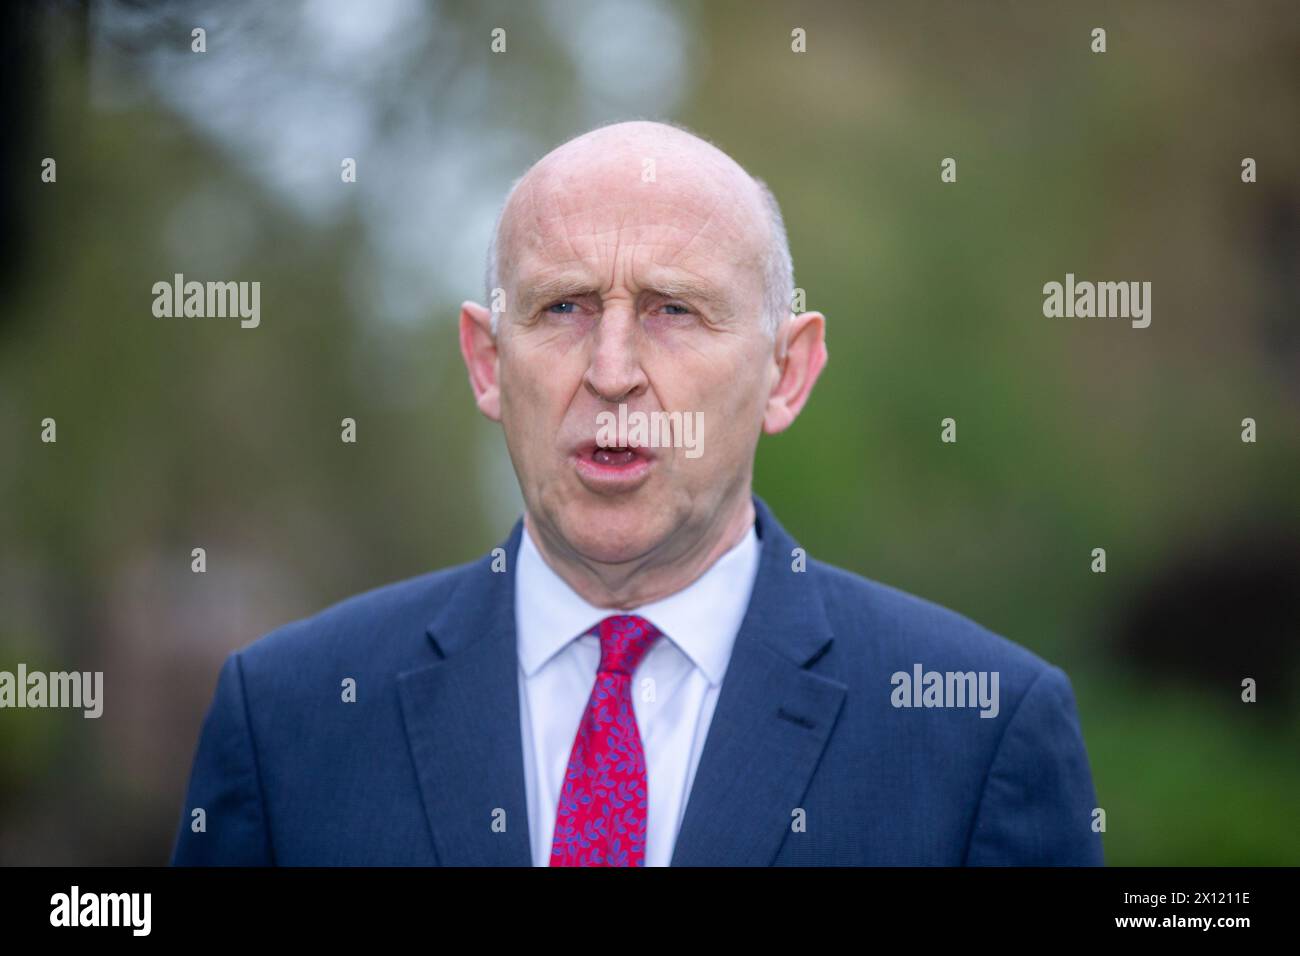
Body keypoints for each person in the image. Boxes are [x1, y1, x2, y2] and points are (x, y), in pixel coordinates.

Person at [170, 120, 1103, 866]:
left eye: (674, 310)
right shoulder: (288, 720)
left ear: (787, 371)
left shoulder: (976, 734)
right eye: (563, 308)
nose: (611, 371)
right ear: (487, 362)